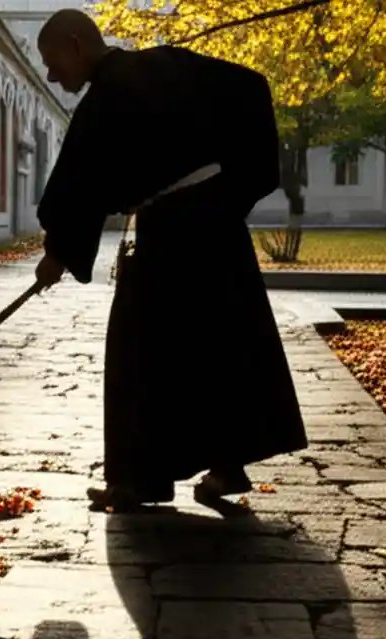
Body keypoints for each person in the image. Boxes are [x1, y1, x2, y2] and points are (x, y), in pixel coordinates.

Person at [32, 9, 308, 510]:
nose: (53, 76)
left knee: (144, 354)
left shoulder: (106, 98)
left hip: (172, 238)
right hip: (212, 230)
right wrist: (235, 188)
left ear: (76, 44)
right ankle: (219, 470)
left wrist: (58, 252)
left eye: (53, 62)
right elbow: (251, 87)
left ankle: (142, 480)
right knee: (215, 348)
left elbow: (79, 183)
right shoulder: (170, 65)